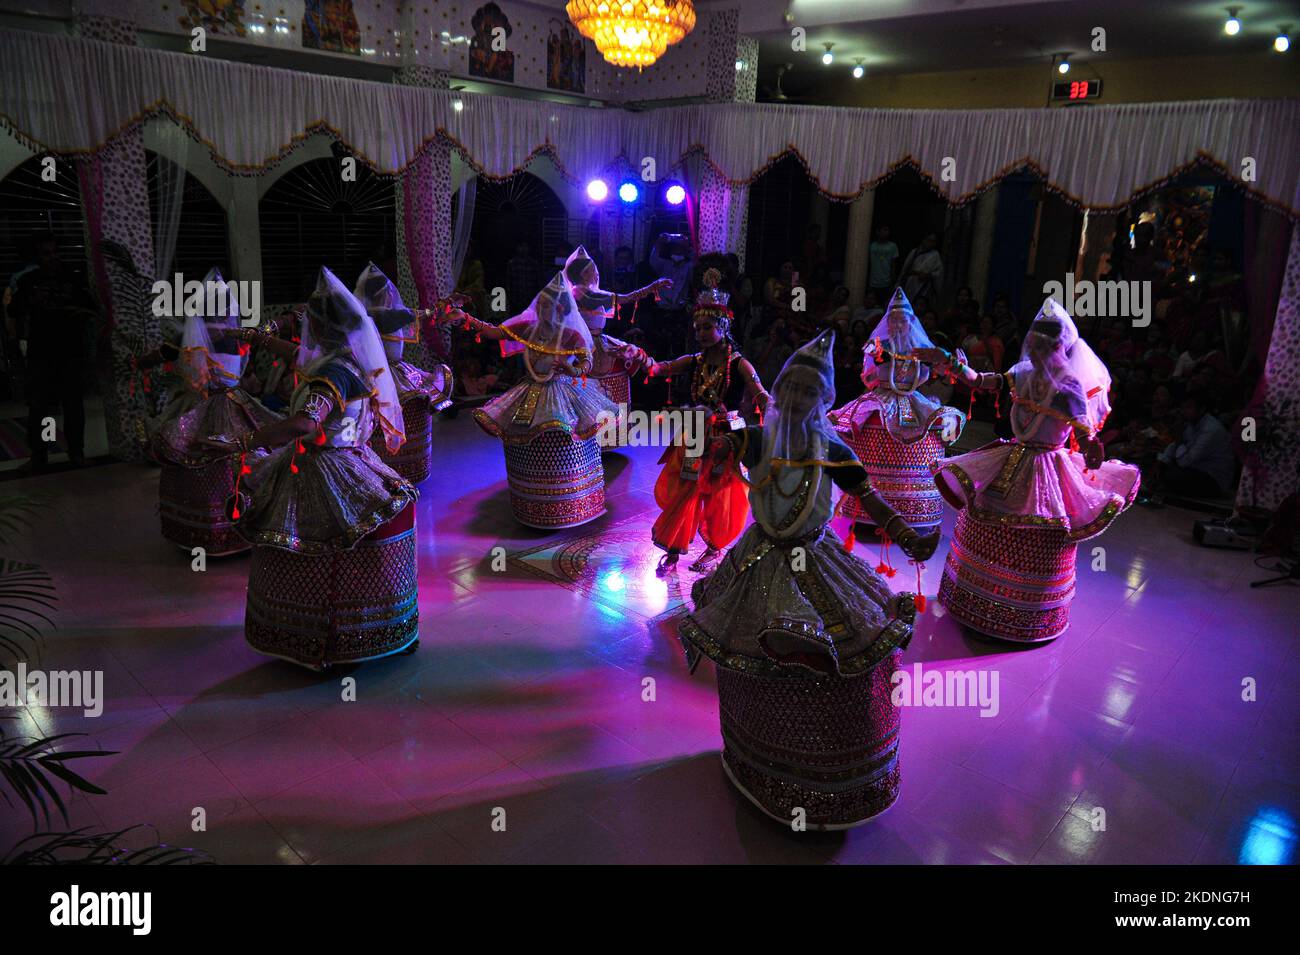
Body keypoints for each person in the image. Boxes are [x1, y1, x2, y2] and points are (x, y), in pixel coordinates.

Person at [678, 329, 938, 830]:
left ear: (823, 398)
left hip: (815, 561)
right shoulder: (758, 439)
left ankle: (827, 781)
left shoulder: (833, 449)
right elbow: (715, 448)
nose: (797, 399)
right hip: (760, 558)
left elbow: (870, 497)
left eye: (809, 391)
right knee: (752, 650)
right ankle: (756, 762)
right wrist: (709, 450)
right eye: (790, 389)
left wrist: (905, 534)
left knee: (834, 656)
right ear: (779, 392)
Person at [212, 267, 420, 669]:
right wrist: (258, 338)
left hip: (326, 466)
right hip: (354, 461)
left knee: (318, 546)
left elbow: (308, 423)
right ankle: (363, 631)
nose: (305, 332)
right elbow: (296, 355)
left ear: (324, 330)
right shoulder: (349, 357)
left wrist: (251, 440)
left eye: (311, 324)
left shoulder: (333, 374)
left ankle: (322, 639)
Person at [920, 299, 1140, 643]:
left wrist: (1093, 446)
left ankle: (1026, 617)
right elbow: (982, 382)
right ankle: (972, 604)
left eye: (1041, 345)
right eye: (1031, 344)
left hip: (1048, 470)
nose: (1034, 351)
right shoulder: (1022, 373)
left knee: (1035, 532)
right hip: (1013, 456)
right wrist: (952, 365)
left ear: (1058, 347)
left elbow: (1085, 432)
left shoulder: (1068, 387)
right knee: (985, 524)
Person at [456, 270, 619, 528]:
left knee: (563, 438)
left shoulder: (570, 334)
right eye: (541, 305)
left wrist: (572, 370)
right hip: (531, 390)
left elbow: (587, 362)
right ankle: (533, 504)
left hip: (564, 392)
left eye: (550, 306)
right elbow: (494, 332)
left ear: (561, 309)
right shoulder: (527, 327)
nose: (544, 310)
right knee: (527, 441)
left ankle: (571, 504)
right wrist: (465, 318)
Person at [138, 267, 280, 554]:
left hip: (196, 407)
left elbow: (152, 359)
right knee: (235, 460)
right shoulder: (237, 335)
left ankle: (197, 533)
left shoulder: (187, 337)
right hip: (233, 404)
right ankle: (238, 531)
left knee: (195, 459)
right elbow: (259, 348)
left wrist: (138, 364)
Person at [643, 270, 770, 574]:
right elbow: (662, 369)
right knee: (686, 487)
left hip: (728, 435)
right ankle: (674, 547)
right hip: (696, 432)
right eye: (697, 327)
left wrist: (772, 406)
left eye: (707, 327)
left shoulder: (739, 364)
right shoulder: (695, 360)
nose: (700, 333)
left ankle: (714, 549)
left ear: (724, 327)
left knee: (721, 493)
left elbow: (760, 392)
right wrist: (637, 357)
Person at [830, 289, 966, 542]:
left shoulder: (920, 350)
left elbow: (932, 372)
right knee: (868, 426)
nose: (899, 325)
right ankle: (869, 510)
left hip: (913, 400)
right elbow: (871, 368)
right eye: (895, 321)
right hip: (882, 398)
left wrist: (950, 368)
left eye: (904, 321)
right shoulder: (881, 346)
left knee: (931, 429)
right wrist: (879, 357)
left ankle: (910, 512)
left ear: (911, 323)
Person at [353, 263, 454, 483]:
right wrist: (434, 311)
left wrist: (435, 310)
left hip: (385, 372)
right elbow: (411, 315)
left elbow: (411, 315)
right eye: (386, 292)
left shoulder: (364, 316)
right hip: (385, 374)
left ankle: (389, 467)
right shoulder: (379, 315)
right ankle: (398, 468)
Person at [8, 233, 96, 471]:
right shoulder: (28, 281)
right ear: (38, 257)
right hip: (41, 351)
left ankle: (75, 452)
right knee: (39, 406)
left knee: (72, 404)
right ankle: (39, 455)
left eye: (54, 252)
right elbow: (14, 310)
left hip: (70, 350)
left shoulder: (72, 279)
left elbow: (90, 310)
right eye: (46, 253)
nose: (52, 257)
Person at [561, 246, 667, 407]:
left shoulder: (589, 292)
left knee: (632, 355)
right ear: (583, 274)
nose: (596, 273)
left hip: (598, 338)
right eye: (592, 270)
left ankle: (658, 370)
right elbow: (626, 298)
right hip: (583, 342)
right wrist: (651, 288)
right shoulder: (579, 292)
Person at [1152, 391, 1235, 499]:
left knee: (1173, 476)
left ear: (1202, 409)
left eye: (1188, 408)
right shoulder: (1191, 423)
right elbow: (1174, 447)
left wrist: (1179, 439)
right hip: (1195, 469)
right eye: (1183, 408)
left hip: (1214, 479)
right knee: (1155, 462)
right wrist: (1161, 462)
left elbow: (1186, 461)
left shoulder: (1211, 430)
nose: (1184, 411)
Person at [648, 232, 695, 353]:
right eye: (674, 248)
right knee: (660, 344)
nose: (677, 251)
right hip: (661, 310)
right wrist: (660, 240)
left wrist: (688, 243)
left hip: (678, 312)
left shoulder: (689, 266)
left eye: (680, 248)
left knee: (677, 344)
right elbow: (653, 259)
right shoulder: (665, 264)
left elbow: (697, 261)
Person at [899, 232, 943, 305]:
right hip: (911, 285)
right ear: (923, 240)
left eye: (933, 241)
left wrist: (928, 275)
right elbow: (905, 269)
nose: (931, 243)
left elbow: (939, 273)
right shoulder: (914, 252)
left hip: (925, 287)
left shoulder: (935, 255)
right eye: (929, 240)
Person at [505, 240, 542, 316]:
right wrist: (510, 300)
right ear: (517, 248)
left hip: (530, 301)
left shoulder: (533, 264)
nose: (523, 249)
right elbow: (508, 284)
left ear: (529, 248)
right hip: (515, 302)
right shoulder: (512, 264)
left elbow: (538, 283)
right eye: (521, 246)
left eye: (525, 246)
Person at [867, 224, 899, 297]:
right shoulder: (872, 245)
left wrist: (893, 280)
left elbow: (893, 264)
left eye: (887, 230)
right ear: (878, 232)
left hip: (886, 282)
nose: (886, 232)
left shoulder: (892, 246)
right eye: (884, 230)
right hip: (872, 281)